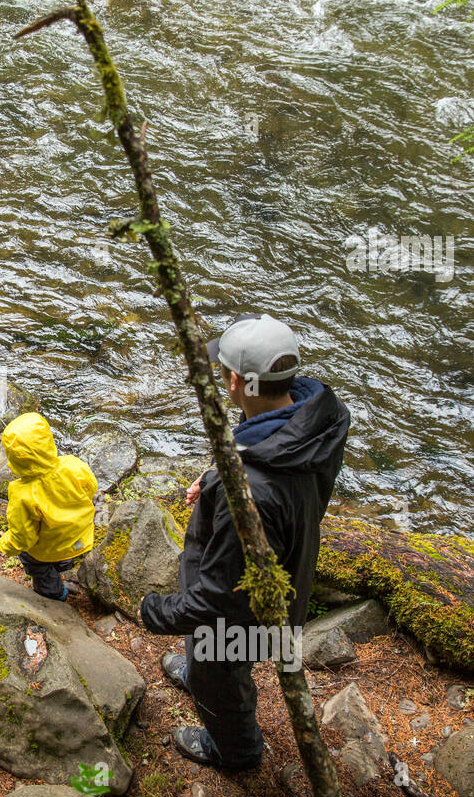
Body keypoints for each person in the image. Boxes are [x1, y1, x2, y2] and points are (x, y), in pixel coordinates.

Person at [140, 314, 350, 770]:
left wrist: (154, 612)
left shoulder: (251, 497)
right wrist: (220, 474)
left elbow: (216, 599)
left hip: (241, 621)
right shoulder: (318, 420)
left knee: (221, 678)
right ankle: (198, 670)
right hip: (289, 571)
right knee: (208, 660)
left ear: (236, 380)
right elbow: (268, 459)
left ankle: (235, 751)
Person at [0, 412, 98, 601]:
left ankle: (55, 594)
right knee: (63, 556)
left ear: (15, 459)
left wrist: (6, 544)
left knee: (37, 565)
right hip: (79, 538)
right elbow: (91, 488)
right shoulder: (74, 466)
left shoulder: (22, 494)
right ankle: (65, 565)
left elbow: (23, 537)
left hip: (45, 552)